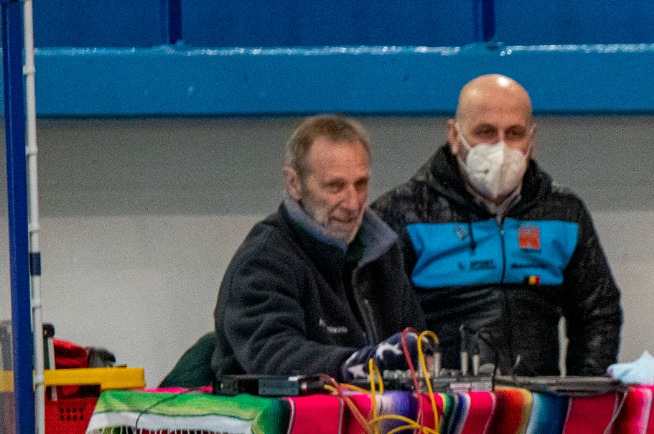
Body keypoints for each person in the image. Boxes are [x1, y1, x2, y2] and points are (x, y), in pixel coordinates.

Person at [373, 75, 623, 377]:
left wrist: (582, 398)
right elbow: (375, 323)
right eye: (485, 132)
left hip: (538, 405)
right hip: (441, 410)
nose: (501, 146)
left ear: (531, 140)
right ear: (454, 136)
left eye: (514, 133)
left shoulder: (564, 212)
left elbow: (598, 313)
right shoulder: (402, 214)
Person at [212, 115, 429, 382]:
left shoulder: (382, 251)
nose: (352, 203)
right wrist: (356, 365)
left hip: (381, 418)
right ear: (294, 184)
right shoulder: (263, 259)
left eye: (360, 184)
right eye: (335, 186)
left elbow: (414, 345)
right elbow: (273, 354)